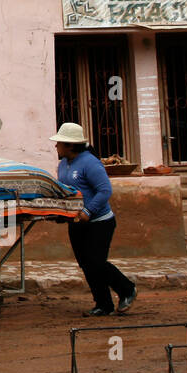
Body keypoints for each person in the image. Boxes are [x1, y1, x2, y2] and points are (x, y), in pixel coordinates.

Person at [51, 122, 136, 317]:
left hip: (99, 223)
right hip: (77, 223)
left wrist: (88, 211)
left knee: (96, 262)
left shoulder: (90, 163)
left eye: (59, 143)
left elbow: (105, 190)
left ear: (70, 145)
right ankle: (103, 304)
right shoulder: (63, 164)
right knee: (86, 264)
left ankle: (127, 289)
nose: (56, 146)